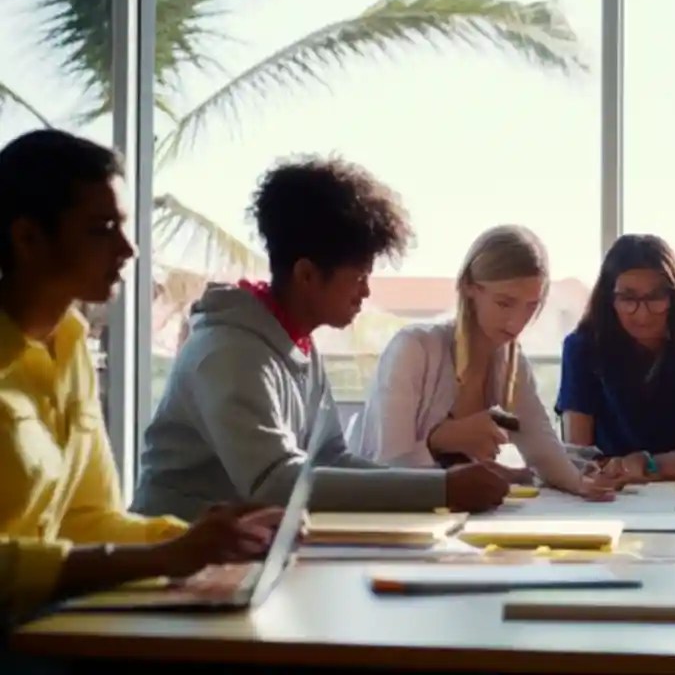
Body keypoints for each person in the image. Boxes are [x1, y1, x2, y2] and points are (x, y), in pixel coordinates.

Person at [0, 129, 280, 626]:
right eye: (101, 228)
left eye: (124, 226)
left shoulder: (69, 348)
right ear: (28, 238)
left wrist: (204, 539)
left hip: (53, 624)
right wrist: (163, 557)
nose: (128, 248)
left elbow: (86, 521)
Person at [133, 156, 512, 521]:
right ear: (307, 275)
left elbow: (331, 458)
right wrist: (441, 490)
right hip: (174, 559)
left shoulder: (296, 344)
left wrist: (439, 486)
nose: (365, 293)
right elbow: (276, 483)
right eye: (359, 276)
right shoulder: (227, 354)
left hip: (245, 553)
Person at [349, 225, 616, 500]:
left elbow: (540, 444)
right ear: (468, 287)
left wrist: (579, 485)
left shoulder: (512, 363)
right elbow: (386, 464)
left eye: (531, 306)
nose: (517, 321)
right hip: (384, 512)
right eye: (504, 303)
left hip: (454, 512)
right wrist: (439, 441)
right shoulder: (414, 348)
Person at [556, 234, 675, 483]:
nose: (643, 313)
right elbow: (578, 453)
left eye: (655, 298)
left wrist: (642, 464)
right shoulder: (582, 348)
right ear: (609, 299)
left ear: (674, 298)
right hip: (606, 491)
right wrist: (654, 466)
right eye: (628, 299)